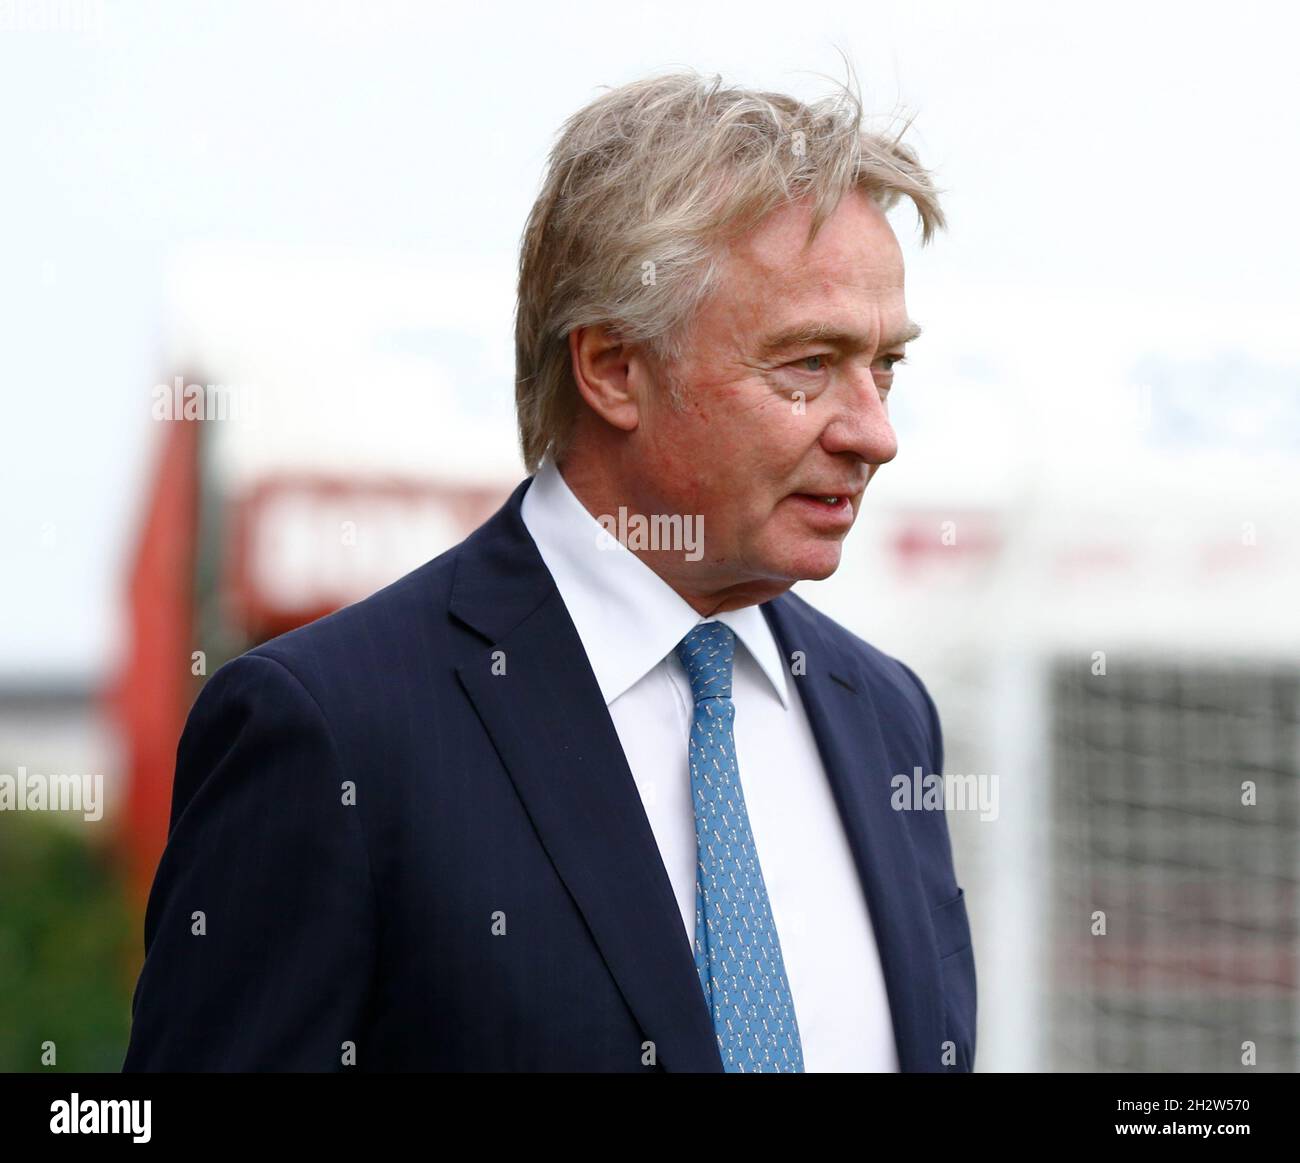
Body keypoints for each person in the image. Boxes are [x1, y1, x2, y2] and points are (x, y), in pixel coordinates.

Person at [123, 69, 975, 1073]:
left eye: (884, 366)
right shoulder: (334, 728)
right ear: (613, 366)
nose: (874, 433)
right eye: (806, 364)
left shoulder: (886, 713)